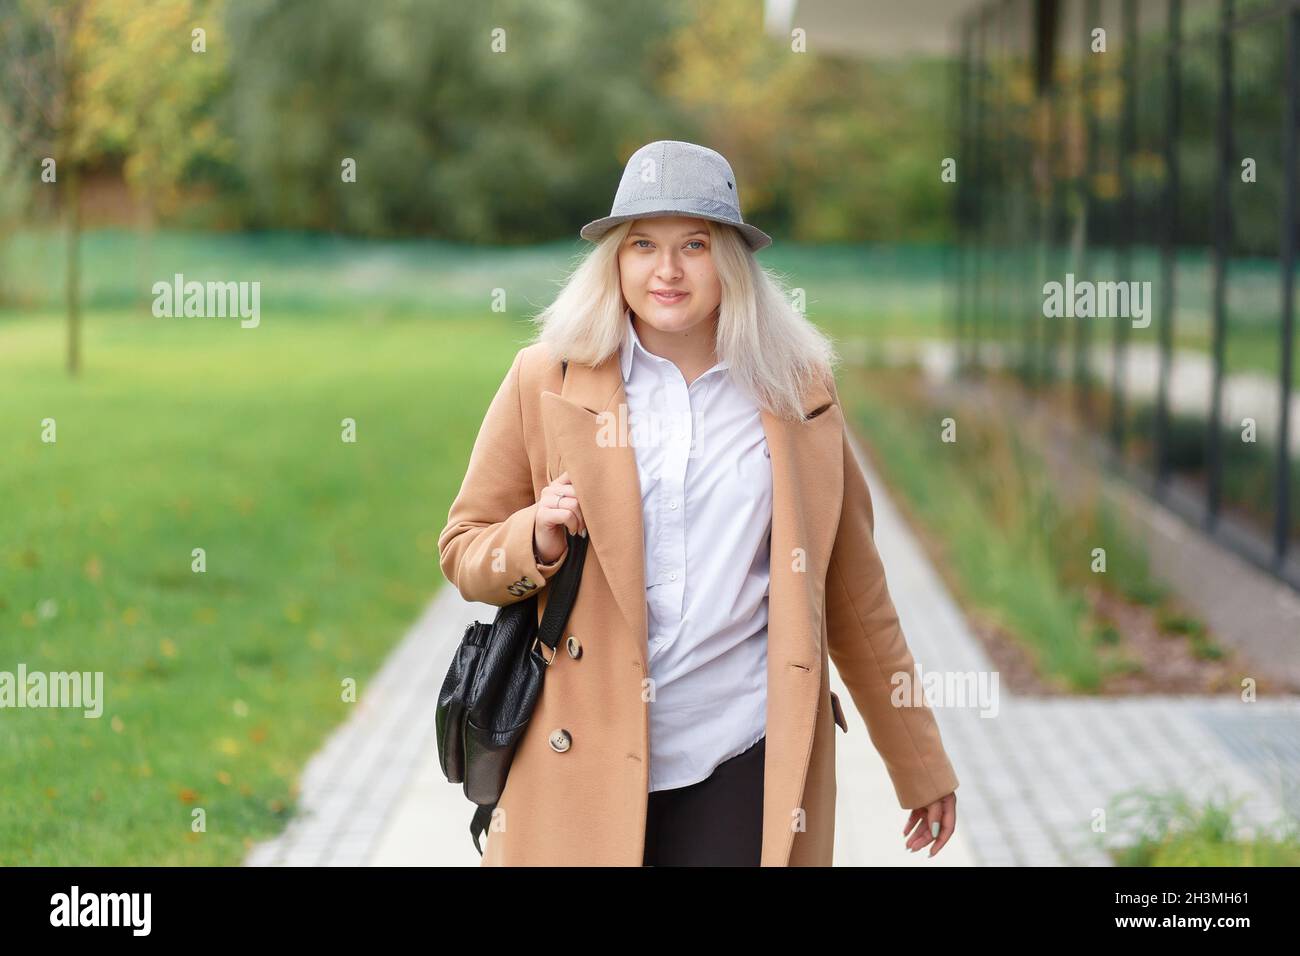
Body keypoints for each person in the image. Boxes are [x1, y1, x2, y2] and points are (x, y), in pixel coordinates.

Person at [438, 140, 959, 866]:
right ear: (615, 260)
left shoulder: (796, 390)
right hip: (580, 754)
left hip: (742, 751)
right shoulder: (544, 378)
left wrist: (920, 763)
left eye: (695, 245)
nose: (668, 270)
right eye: (643, 245)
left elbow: (854, 593)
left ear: (732, 261)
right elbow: (464, 548)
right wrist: (536, 538)